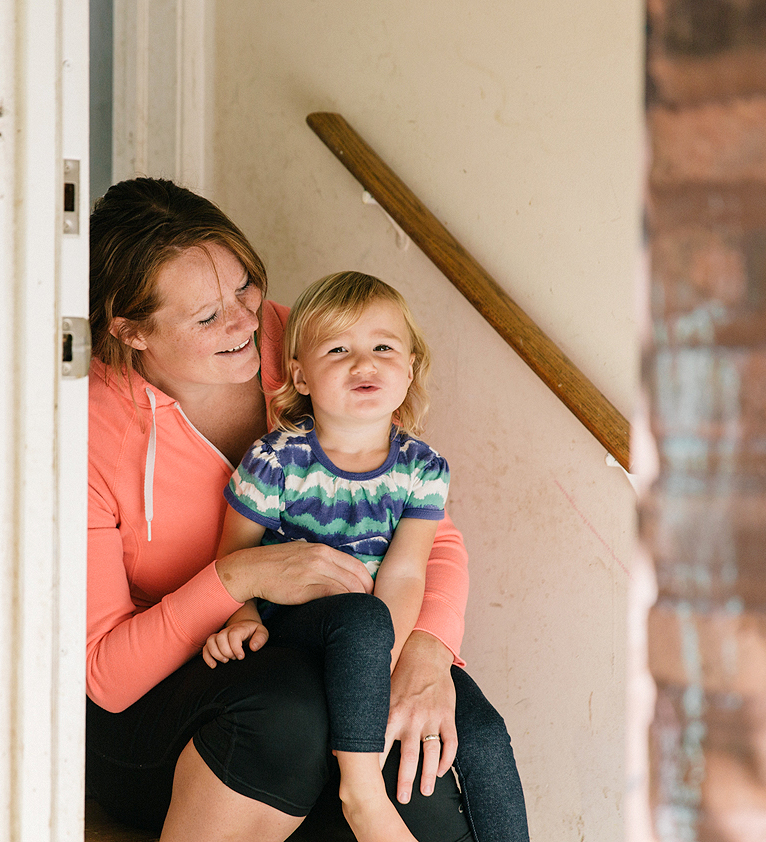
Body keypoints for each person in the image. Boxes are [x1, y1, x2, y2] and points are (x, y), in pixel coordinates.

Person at [85, 176, 530, 842]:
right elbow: (108, 678)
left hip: (336, 659)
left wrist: (429, 655)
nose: (244, 324)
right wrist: (244, 577)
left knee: (427, 771)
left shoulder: (308, 346)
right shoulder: (85, 426)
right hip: (165, 717)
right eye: (206, 316)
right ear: (131, 329)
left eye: (244, 288)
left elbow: (430, 537)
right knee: (284, 705)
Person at [202, 272, 450, 842]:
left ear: (409, 367)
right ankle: (362, 795)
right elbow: (234, 557)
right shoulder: (276, 459)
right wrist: (239, 618)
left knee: (481, 733)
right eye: (339, 350)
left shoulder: (423, 467)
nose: (364, 364)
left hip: (370, 635)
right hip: (296, 626)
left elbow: (408, 571)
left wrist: (384, 667)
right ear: (301, 376)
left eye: (383, 348)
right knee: (363, 619)